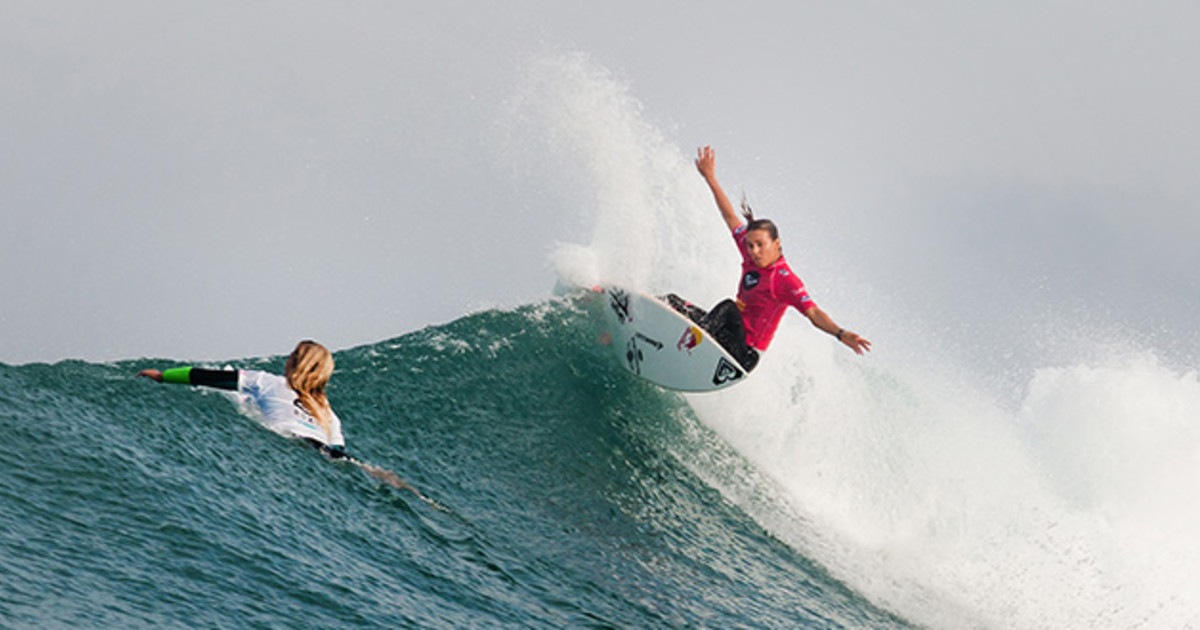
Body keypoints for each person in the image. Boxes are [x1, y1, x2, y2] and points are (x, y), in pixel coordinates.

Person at [666, 146, 871, 371]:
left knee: (728, 308)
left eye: (760, 245)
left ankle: (687, 350)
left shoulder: (784, 279)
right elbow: (729, 216)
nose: (754, 251)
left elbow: (813, 312)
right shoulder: (750, 252)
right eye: (750, 245)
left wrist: (840, 333)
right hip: (727, 336)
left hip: (744, 355)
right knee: (672, 303)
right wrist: (710, 178)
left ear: (776, 243)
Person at [137, 340, 415, 494]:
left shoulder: (265, 381)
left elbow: (206, 377)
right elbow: (337, 450)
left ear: (295, 362)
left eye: (291, 355)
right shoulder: (327, 411)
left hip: (292, 438)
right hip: (323, 448)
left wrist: (162, 376)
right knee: (354, 465)